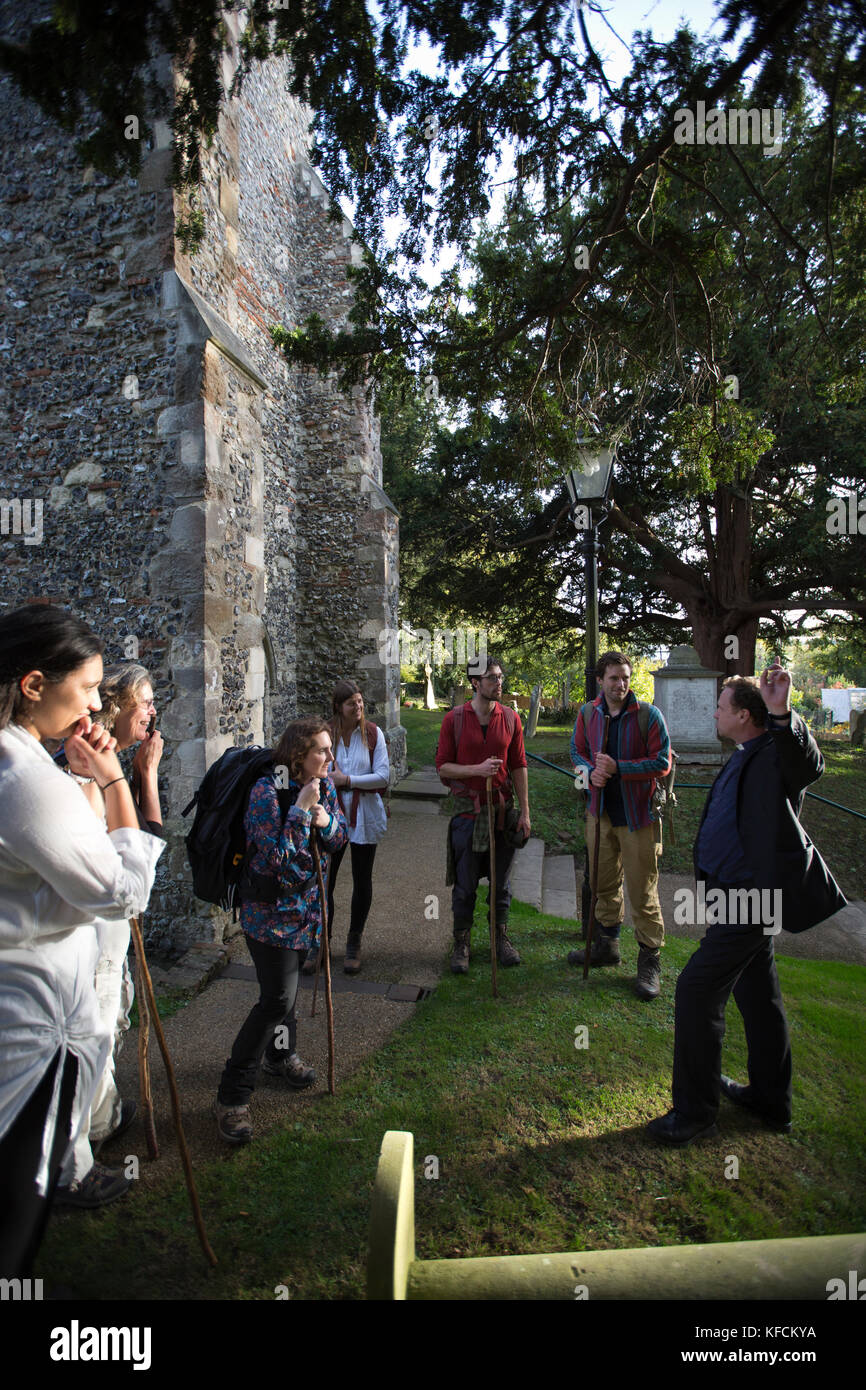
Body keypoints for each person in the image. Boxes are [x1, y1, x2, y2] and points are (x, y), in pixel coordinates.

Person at [0, 605, 164, 1275]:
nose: (98, 703)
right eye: (90, 687)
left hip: (32, 996)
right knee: (17, 1199)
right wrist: (115, 778)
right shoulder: (30, 782)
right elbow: (123, 893)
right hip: (29, 1019)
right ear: (35, 684)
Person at [647, 662, 846, 1145]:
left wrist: (781, 711)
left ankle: (694, 1114)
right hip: (729, 894)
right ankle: (770, 1100)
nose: (713, 713)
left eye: (720, 707)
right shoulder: (744, 750)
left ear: (743, 716)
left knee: (696, 990)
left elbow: (809, 765)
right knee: (759, 998)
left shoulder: (777, 751)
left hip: (752, 899)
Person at [55, 662, 166, 1207]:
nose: (152, 712)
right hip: (91, 936)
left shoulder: (116, 765)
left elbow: (148, 842)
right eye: (144, 702)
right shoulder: (82, 775)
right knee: (88, 1031)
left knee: (110, 1022)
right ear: (118, 706)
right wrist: (127, 779)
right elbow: (121, 871)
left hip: (114, 933)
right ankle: (71, 1168)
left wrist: (144, 778)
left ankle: (101, 1120)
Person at [214, 718, 347, 1145]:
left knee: (284, 995)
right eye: (322, 751)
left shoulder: (323, 785)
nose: (330, 757)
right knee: (275, 999)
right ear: (298, 755)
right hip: (267, 918)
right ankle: (232, 1096)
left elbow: (340, 838)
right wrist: (300, 811)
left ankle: (281, 1054)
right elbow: (275, 859)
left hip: (306, 914)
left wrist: (324, 820)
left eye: (330, 749)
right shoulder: (265, 792)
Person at [567, 651, 672, 1000]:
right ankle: (607, 946)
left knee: (643, 890)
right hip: (599, 814)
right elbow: (576, 751)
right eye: (613, 678)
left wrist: (619, 769)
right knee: (602, 882)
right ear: (601, 680)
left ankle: (649, 960)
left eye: (625, 677)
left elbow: (662, 762)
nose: (621, 684)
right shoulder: (587, 713)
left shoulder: (648, 716)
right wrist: (590, 772)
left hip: (638, 816)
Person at [436, 657, 530, 973]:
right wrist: (476, 770)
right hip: (467, 815)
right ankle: (461, 942)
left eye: (500, 677)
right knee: (465, 885)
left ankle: (499, 938)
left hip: (503, 813)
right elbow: (443, 768)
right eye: (491, 678)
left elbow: (519, 766)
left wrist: (526, 813)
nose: (498, 683)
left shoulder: (511, 719)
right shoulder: (454, 720)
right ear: (475, 683)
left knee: (501, 885)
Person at [321, 679, 390, 976]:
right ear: (339, 707)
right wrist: (328, 781)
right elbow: (315, 770)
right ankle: (320, 942)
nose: (358, 707)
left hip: (364, 815)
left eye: (360, 701)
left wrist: (347, 780)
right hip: (331, 815)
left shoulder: (374, 734)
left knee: (362, 878)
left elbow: (383, 777)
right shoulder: (326, 735)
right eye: (352, 703)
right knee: (325, 881)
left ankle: (354, 942)